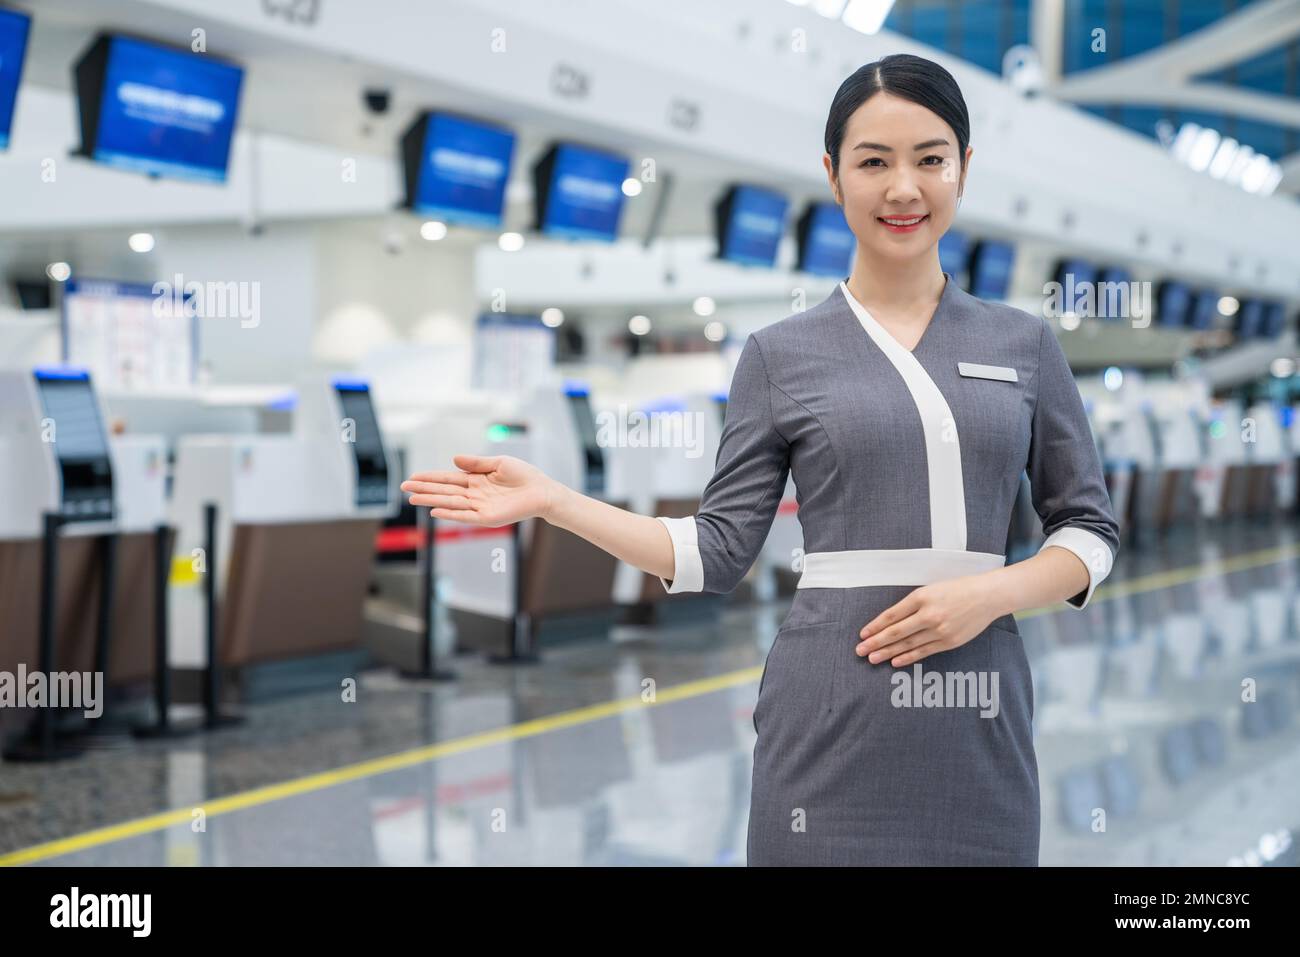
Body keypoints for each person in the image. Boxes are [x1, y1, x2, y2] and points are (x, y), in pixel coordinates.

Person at [401, 53, 1120, 866]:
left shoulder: (1022, 344)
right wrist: (554, 501)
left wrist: (995, 592)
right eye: (873, 162)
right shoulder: (783, 354)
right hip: (829, 712)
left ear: (964, 168)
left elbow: (1090, 531)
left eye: (930, 159)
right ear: (832, 174)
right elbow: (714, 553)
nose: (904, 189)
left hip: (980, 712)